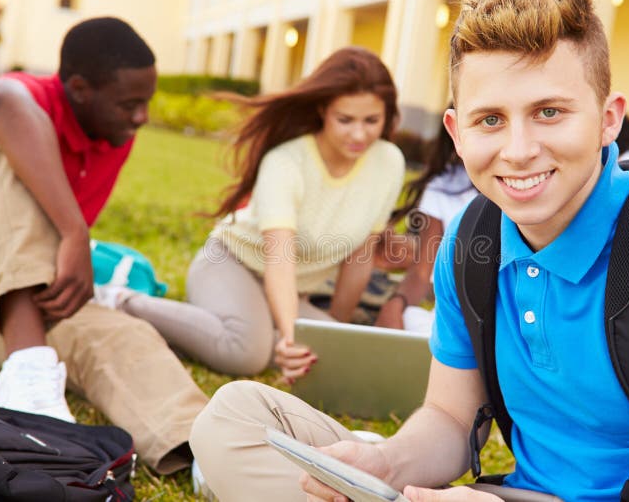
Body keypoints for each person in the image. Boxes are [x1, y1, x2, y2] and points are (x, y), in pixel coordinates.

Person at [188, 0, 629, 501]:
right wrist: (387, 464)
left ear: (609, 119)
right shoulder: (471, 237)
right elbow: (450, 420)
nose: (517, 149)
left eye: (549, 112)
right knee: (235, 416)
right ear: (457, 133)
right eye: (491, 121)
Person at [0, 17, 208, 476]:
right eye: (129, 104)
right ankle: (29, 370)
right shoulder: (26, 97)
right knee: (5, 151)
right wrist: (76, 232)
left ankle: (207, 455)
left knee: (120, 332)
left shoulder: (113, 137)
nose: (141, 118)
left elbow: (39, 256)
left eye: (147, 103)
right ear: (79, 88)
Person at [105, 46, 405, 381]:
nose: (359, 134)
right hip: (231, 265)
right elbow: (279, 259)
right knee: (247, 354)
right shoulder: (286, 162)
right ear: (323, 110)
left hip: (291, 291)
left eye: (371, 121)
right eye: (345, 120)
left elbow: (361, 257)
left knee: (341, 357)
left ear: (387, 115)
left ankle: (243, 329)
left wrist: (335, 331)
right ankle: (122, 300)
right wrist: (291, 340)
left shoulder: (389, 163)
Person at [374, 114, 477, 333]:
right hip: (459, 321)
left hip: (513, 319)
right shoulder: (444, 186)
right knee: (409, 319)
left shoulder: (530, 184)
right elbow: (422, 272)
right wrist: (397, 303)